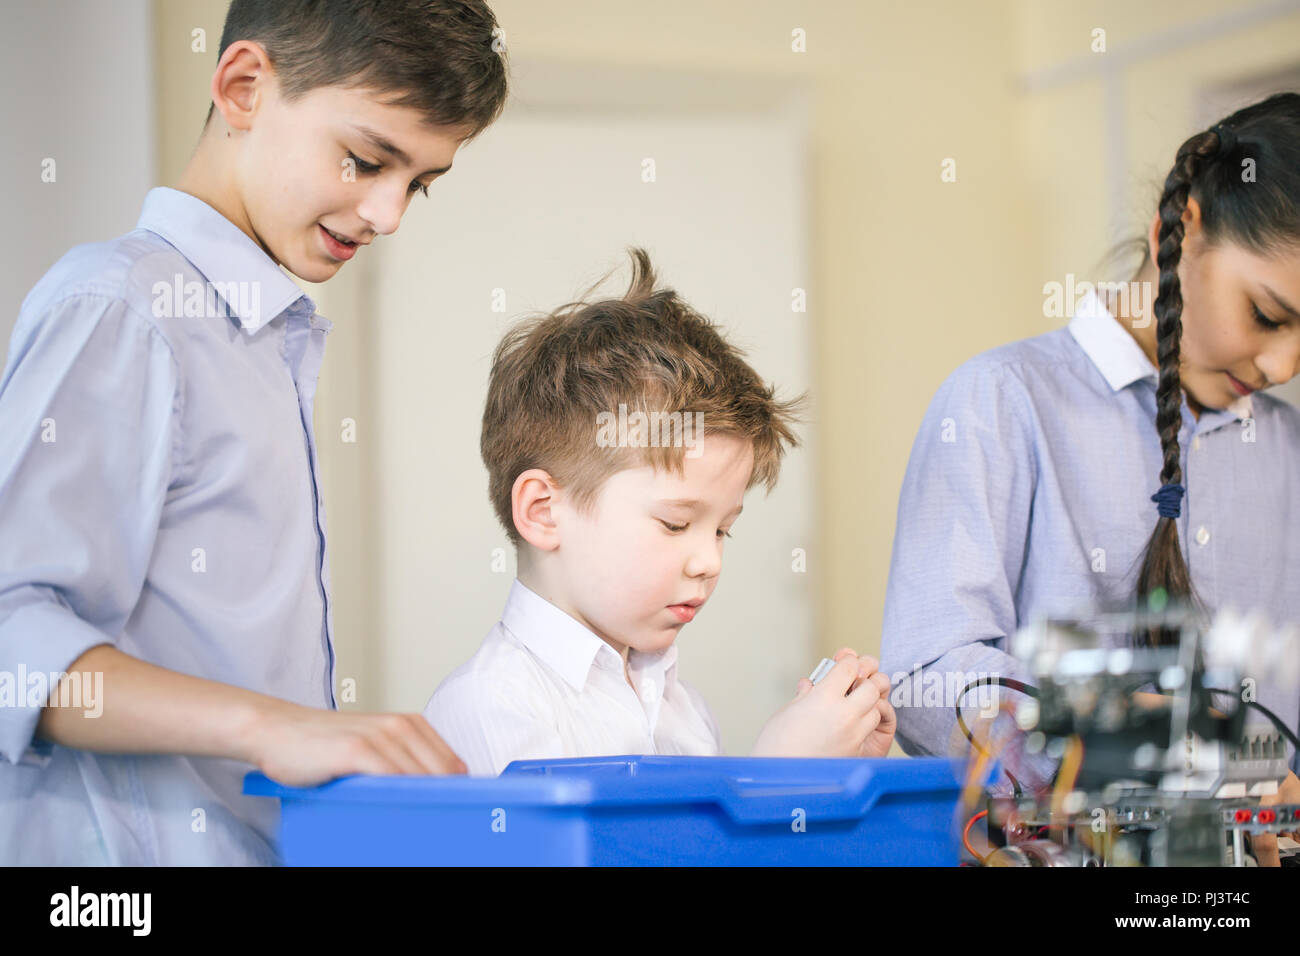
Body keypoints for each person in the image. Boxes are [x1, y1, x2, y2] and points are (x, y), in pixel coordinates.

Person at [0, 0, 509, 865]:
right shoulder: (122, 305)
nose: (389, 214)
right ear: (242, 87)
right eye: (365, 160)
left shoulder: (266, 336)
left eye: (418, 182)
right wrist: (273, 729)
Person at [880, 93, 1300, 863]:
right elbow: (927, 674)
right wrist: (1124, 756)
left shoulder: (1290, 451)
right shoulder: (1003, 401)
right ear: (1183, 231)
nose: (1283, 366)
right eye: (1268, 315)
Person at [424, 248, 896, 774]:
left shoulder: (685, 713)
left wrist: (826, 778)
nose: (709, 562)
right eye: (676, 524)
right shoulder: (491, 711)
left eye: (722, 531)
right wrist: (777, 775)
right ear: (543, 511)